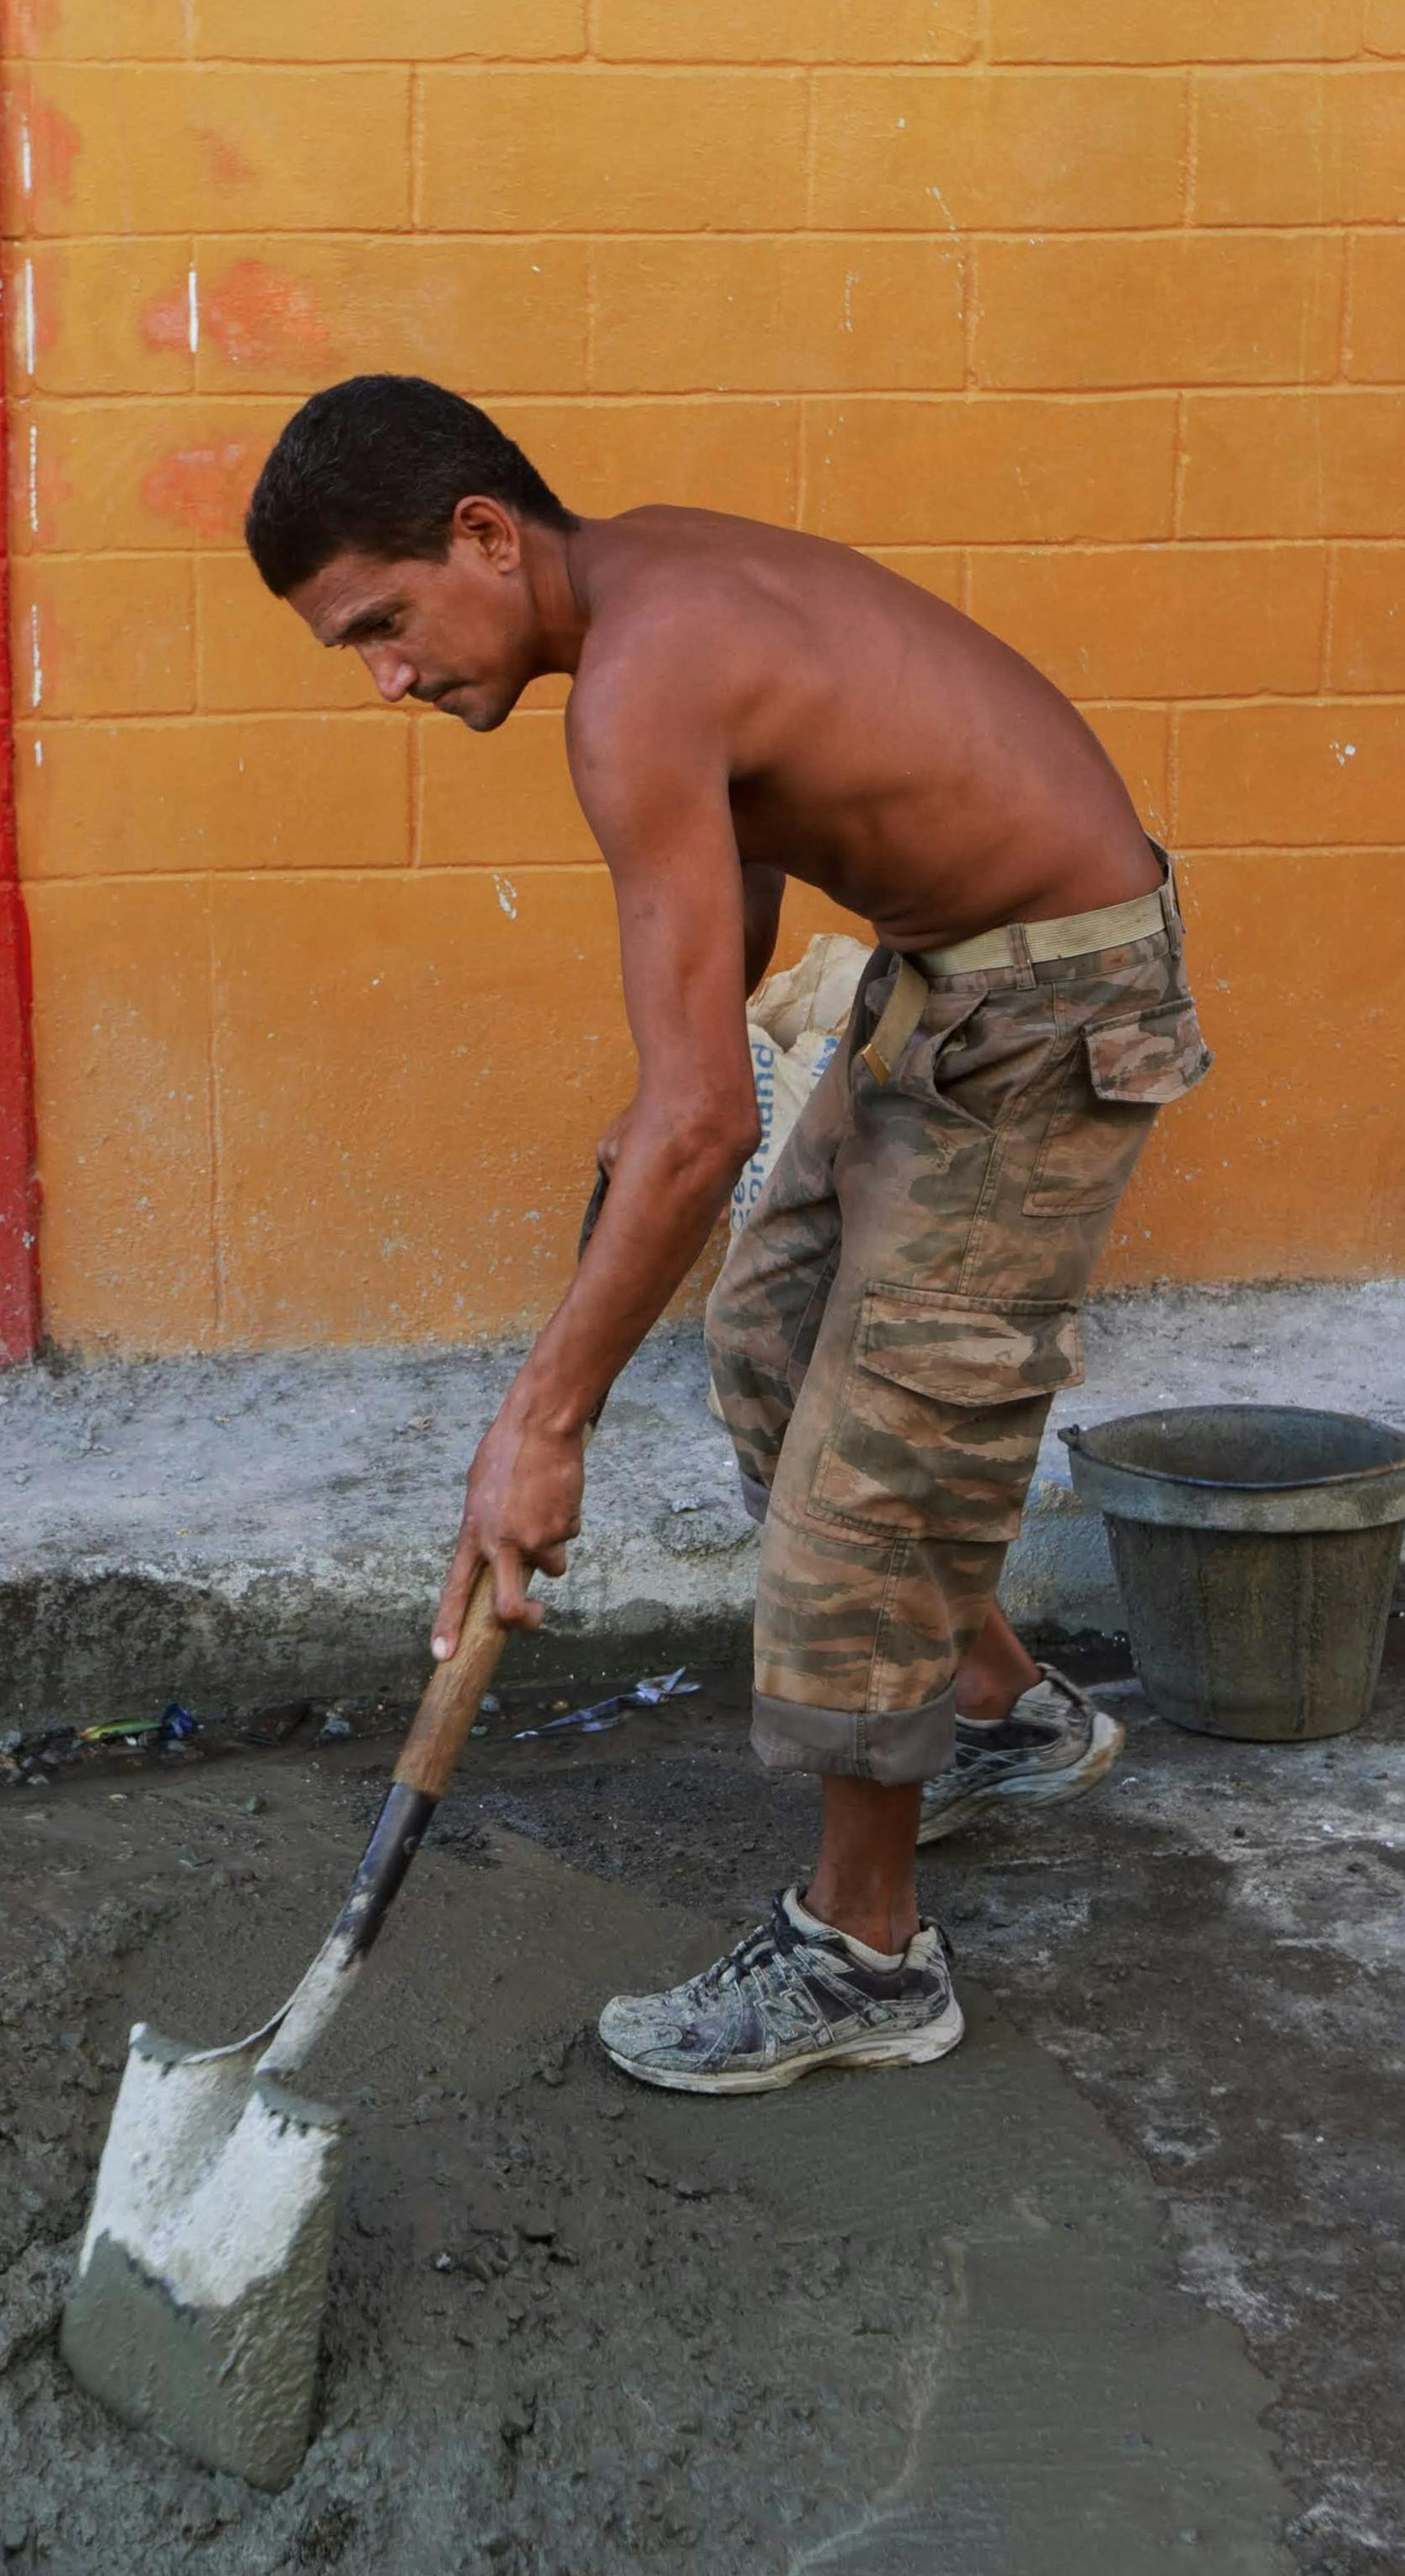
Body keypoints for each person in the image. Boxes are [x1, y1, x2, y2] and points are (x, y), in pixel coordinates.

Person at [243, 374, 1212, 2097]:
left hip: (1047, 1012)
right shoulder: (639, 598)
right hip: (951, 985)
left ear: (482, 534)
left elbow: (701, 1124)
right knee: (768, 1349)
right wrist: (635, 1190)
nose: (386, 678)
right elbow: (687, 1062)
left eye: (384, 624)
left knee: (872, 1470)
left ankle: (866, 1956)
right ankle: (1000, 1712)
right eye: (352, 652)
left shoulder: (634, 680)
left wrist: (539, 1423)